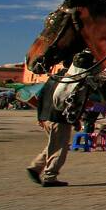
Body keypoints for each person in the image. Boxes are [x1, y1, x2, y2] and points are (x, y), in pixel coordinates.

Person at [26, 52, 90, 187]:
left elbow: (41, 97)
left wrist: (40, 117)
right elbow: (73, 102)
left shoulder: (53, 78)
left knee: (54, 144)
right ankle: (50, 176)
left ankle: (35, 167)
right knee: (59, 148)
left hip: (46, 117)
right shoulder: (71, 81)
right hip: (59, 118)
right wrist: (75, 119)